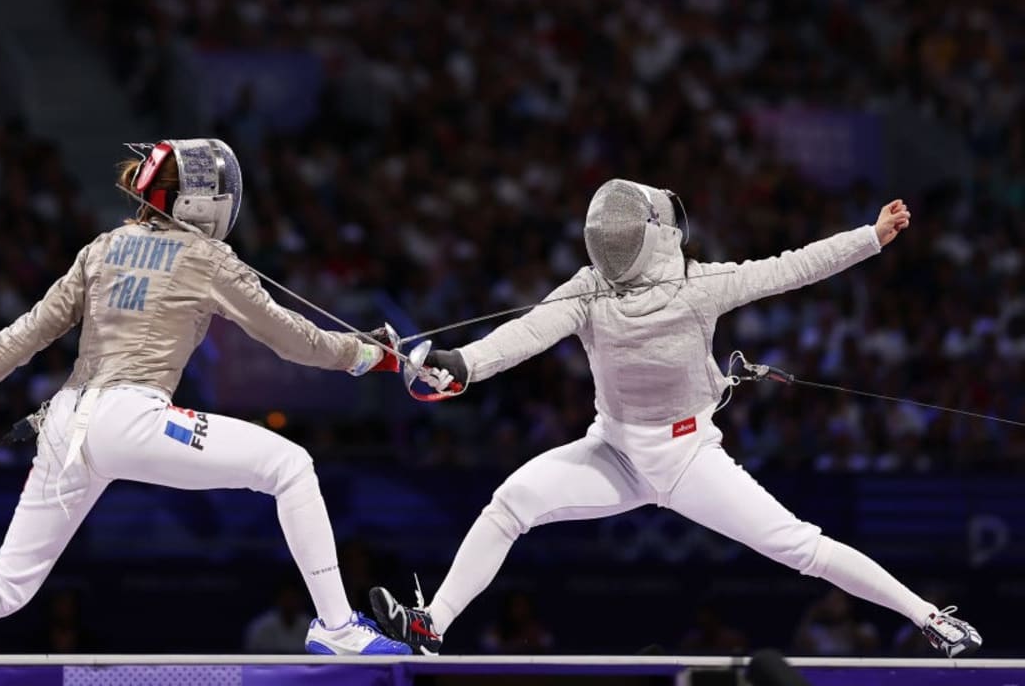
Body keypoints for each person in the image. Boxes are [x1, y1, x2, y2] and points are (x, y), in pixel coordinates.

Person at [0, 138, 408, 656]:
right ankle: (338, 627)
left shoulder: (102, 248)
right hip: (131, 418)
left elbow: (32, 328)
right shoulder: (206, 257)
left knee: (3, 589)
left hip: (66, 423)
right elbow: (292, 339)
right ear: (202, 203)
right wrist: (366, 354)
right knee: (292, 465)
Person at [370, 179, 981, 658]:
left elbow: (794, 267)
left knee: (799, 545)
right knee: (510, 504)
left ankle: (929, 617)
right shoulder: (591, 289)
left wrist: (869, 237)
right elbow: (526, 333)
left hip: (689, 457)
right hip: (611, 450)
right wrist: (462, 364)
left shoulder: (698, 287)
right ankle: (432, 624)